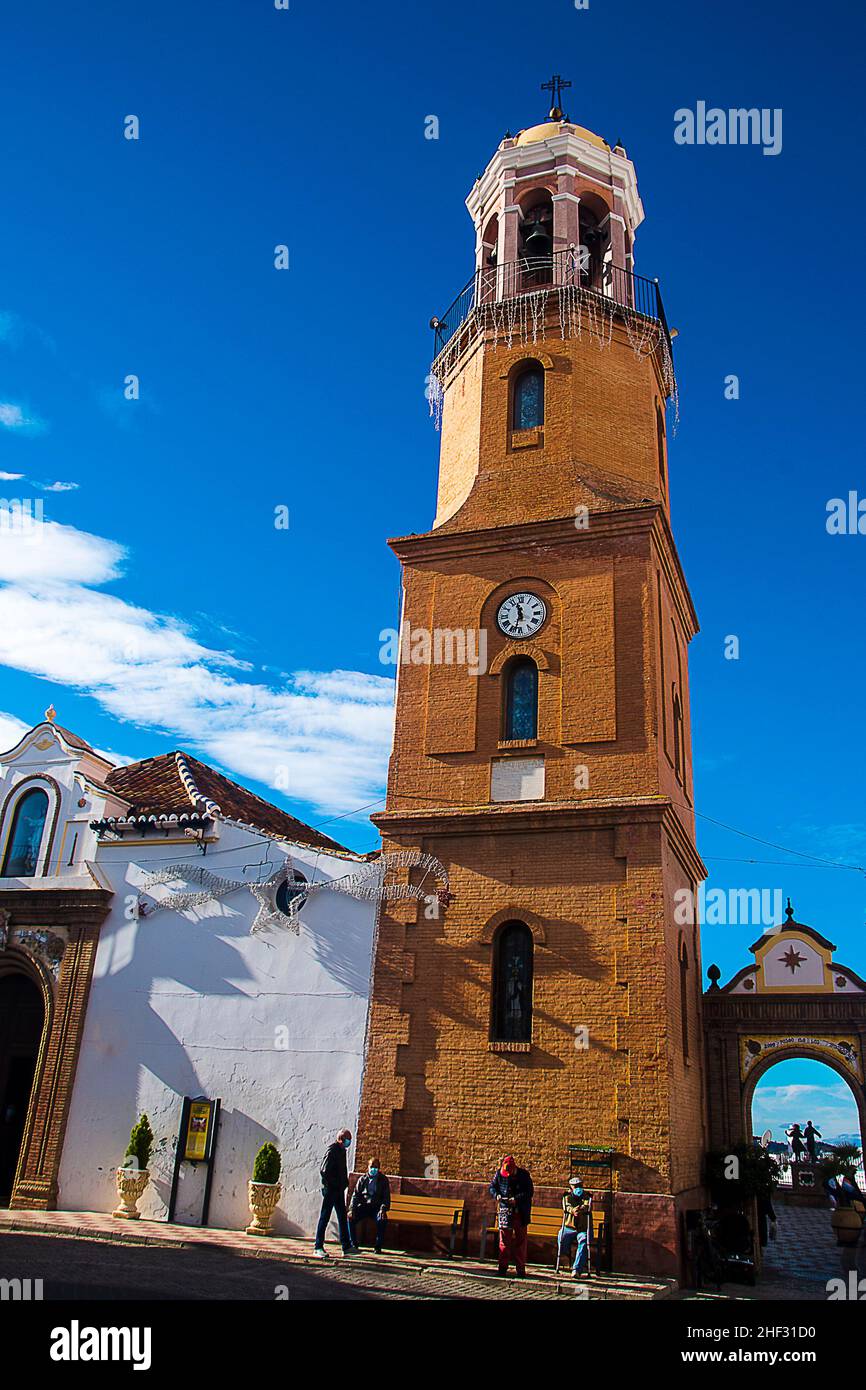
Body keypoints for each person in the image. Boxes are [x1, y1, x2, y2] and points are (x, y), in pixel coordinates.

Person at [313, 1127, 358, 1259]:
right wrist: (333, 1184)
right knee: (325, 1217)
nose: (349, 1142)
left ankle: (346, 1246)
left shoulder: (342, 1151)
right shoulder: (332, 1150)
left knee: (342, 1217)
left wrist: (343, 1184)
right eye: (348, 1140)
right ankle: (318, 1246)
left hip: (339, 1190)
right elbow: (324, 1170)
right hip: (331, 1190)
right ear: (341, 1139)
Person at [488, 1154, 534, 1277]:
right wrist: (496, 1195)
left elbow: (529, 1192)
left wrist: (516, 1199)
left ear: (514, 1168)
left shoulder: (524, 1175)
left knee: (520, 1241)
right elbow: (492, 1187)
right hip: (505, 1211)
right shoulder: (499, 1174)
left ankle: (520, 1269)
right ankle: (502, 1268)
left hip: (520, 1213)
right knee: (504, 1241)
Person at [348, 1157, 391, 1254]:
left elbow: (386, 1197)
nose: (373, 1169)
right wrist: (351, 1209)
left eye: (376, 1167)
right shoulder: (362, 1179)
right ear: (368, 1167)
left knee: (382, 1219)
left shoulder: (383, 1180)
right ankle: (353, 1243)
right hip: (364, 1206)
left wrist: (383, 1209)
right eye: (372, 1167)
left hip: (376, 1207)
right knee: (350, 1218)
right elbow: (355, 1195)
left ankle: (378, 1246)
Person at [558, 1175, 591, 1278]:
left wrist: (581, 1209)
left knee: (584, 1240)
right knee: (561, 1236)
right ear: (571, 1187)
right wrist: (572, 1210)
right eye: (575, 1186)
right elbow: (566, 1206)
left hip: (583, 1228)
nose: (577, 1188)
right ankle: (566, 1256)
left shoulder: (587, 1196)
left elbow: (587, 1205)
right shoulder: (566, 1196)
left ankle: (577, 1269)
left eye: (579, 1185)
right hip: (569, 1227)